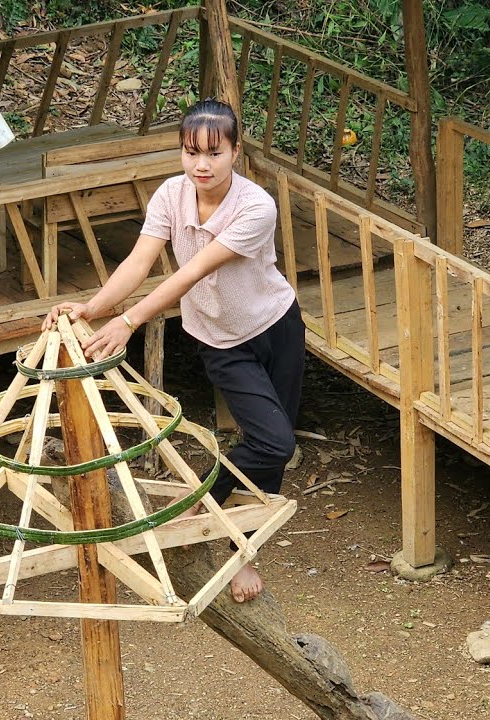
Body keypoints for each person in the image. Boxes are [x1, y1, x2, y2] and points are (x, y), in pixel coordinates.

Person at [44, 98, 304, 603]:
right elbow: (140, 261)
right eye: (191, 152)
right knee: (273, 441)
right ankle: (201, 501)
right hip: (219, 339)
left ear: (236, 152)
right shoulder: (170, 194)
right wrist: (94, 307)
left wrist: (130, 321)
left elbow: (193, 271)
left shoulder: (256, 206)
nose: (201, 165)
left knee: (273, 446)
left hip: (276, 325)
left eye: (214, 153)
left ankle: (242, 551)